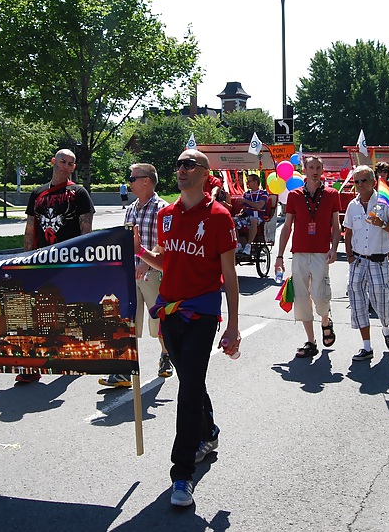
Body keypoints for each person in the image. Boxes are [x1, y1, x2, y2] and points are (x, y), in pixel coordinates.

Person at [139, 149, 240, 508]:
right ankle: (208, 432)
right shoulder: (167, 215)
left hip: (201, 315)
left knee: (190, 388)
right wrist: (139, 251)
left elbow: (229, 275)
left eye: (188, 165)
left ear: (203, 173)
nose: (181, 170)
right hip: (169, 313)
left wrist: (234, 327)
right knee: (191, 382)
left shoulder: (219, 217)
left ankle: (181, 475)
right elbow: (165, 260)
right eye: (178, 163)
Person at [16, 149, 94, 384]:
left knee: (68, 312)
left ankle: (73, 357)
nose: (66, 166)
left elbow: (86, 230)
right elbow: (30, 227)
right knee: (36, 315)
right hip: (40, 262)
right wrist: (25, 259)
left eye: (71, 163)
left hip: (68, 263)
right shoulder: (37, 193)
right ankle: (33, 365)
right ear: (53, 162)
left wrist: (83, 262)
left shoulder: (78, 193)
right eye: (63, 161)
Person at [103, 163, 171, 387]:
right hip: (130, 274)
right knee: (128, 322)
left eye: (133, 179)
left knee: (159, 322)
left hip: (153, 275)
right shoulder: (131, 209)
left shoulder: (163, 209)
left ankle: (166, 356)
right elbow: (127, 239)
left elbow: (165, 243)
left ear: (146, 181)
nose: (129, 182)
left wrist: (146, 262)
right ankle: (124, 372)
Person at [274, 155, 341, 359]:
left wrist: (334, 248)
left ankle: (325, 320)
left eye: (318, 167)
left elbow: (336, 226)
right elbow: (287, 227)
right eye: (311, 167)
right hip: (299, 252)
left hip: (321, 252)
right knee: (302, 298)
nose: (314, 171)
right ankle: (311, 341)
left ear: (322, 171)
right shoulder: (294, 196)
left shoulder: (331, 194)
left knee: (320, 295)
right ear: (305, 170)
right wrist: (279, 256)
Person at [343, 165, 389, 362]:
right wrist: (349, 257)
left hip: (378, 260)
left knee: (381, 302)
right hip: (358, 261)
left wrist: (382, 224)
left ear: (373, 182)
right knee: (357, 302)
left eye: (363, 180)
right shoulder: (352, 205)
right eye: (356, 181)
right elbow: (348, 232)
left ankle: (385, 327)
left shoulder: (385, 203)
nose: (359, 185)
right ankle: (366, 347)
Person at [234, 173, 268, 257]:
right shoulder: (246, 194)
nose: (247, 183)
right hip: (246, 216)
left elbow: (259, 206)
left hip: (258, 217)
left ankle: (248, 245)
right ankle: (238, 244)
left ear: (256, 182)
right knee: (232, 220)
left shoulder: (263, 193)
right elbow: (245, 208)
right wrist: (241, 211)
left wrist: (246, 201)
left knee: (253, 220)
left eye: (249, 181)